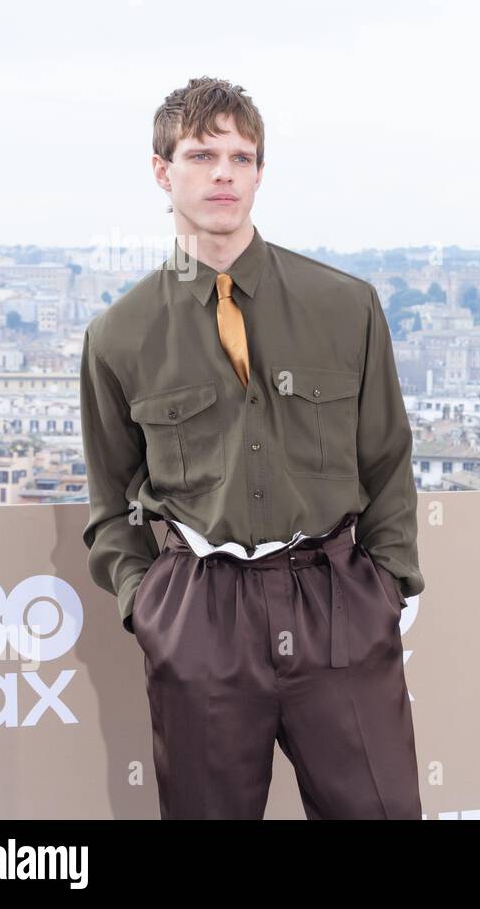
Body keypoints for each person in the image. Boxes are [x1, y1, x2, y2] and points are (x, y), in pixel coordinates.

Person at [79, 76, 423, 819]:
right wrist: (153, 611)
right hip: (202, 619)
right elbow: (110, 505)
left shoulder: (345, 304)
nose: (224, 173)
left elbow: (388, 459)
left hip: (337, 608)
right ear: (162, 170)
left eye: (242, 156)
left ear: (261, 171)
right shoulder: (120, 334)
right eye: (202, 155)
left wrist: (385, 588)